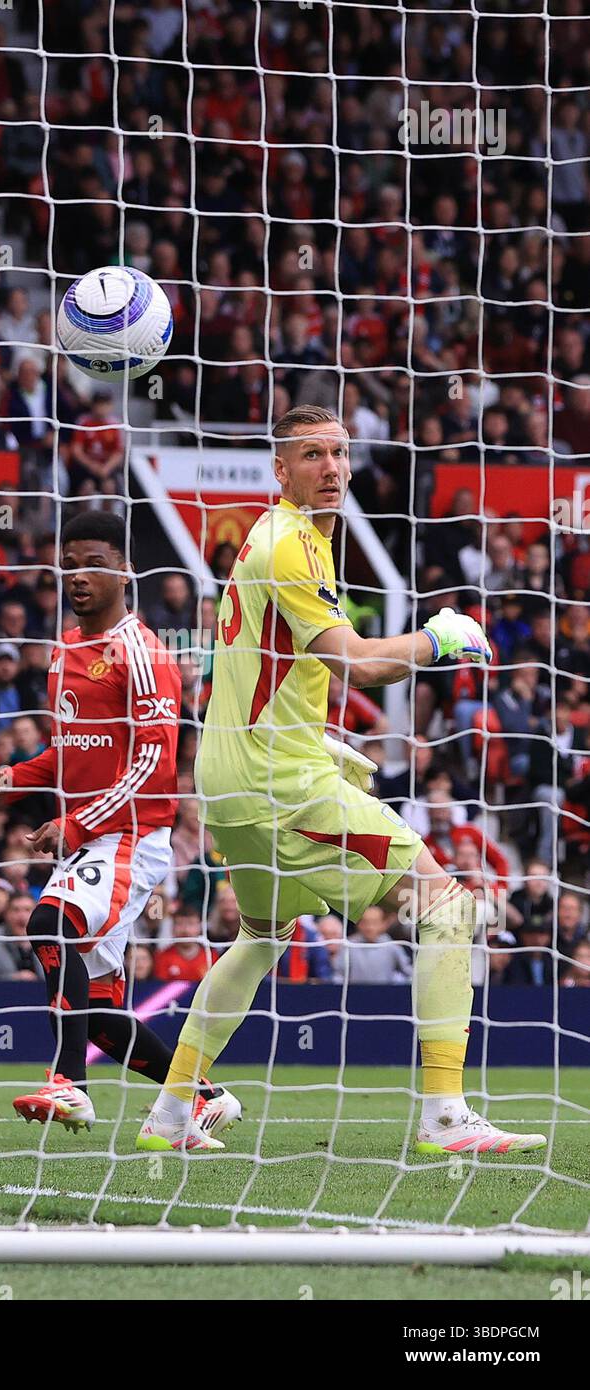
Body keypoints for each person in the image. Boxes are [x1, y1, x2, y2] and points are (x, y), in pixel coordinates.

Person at [138, 404, 545, 1154]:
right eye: (312, 455)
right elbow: (362, 662)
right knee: (448, 907)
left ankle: (168, 1115)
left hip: (234, 775)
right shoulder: (292, 543)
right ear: (280, 469)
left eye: (338, 453)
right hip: (278, 782)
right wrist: (436, 636)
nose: (330, 467)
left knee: (262, 937)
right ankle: (446, 1117)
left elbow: (267, 672)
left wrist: (320, 740)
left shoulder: (280, 539)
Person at [0, 511, 239, 1137]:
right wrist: (20, 774)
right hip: (94, 832)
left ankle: (69, 1085)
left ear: (125, 571)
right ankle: (202, 1099)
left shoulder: (145, 652)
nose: (80, 577)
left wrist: (74, 826)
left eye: (95, 563)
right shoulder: (66, 650)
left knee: (51, 923)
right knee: (97, 1011)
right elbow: (74, 748)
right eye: (70, 564)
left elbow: (154, 761)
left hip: (133, 835)